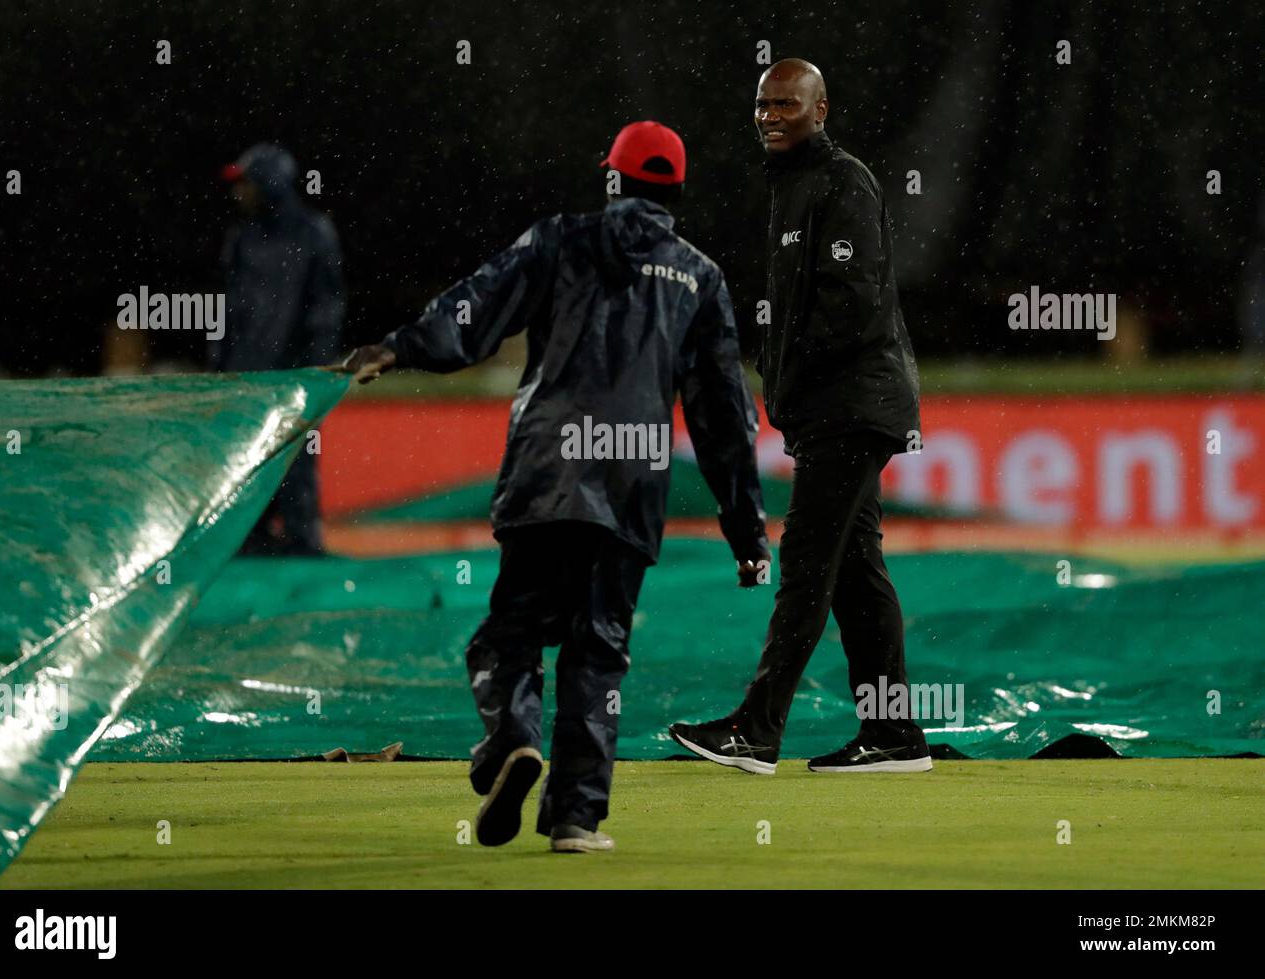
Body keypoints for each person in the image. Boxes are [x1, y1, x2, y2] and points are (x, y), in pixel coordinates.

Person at [336, 121, 769, 851]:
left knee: (510, 634)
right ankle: (576, 816)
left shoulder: (558, 240)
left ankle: (513, 736)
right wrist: (746, 530)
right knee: (598, 651)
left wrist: (398, 346)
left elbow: (475, 311)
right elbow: (722, 413)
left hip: (547, 470)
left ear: (612, 178)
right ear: (677, 191)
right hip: (631, 484)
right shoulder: (699, 277)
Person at [669, 59, 932, 774]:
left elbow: (853, 305)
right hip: (836, 408)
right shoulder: (793, 184)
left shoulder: (843, 181)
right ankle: (893, 734)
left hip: (850, 408)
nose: (770, 116)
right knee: (855, 573)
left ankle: (756, 729)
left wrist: (794, 379)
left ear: (821, 110)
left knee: (808, 567)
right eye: (762, 104)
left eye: (786, 103)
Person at [214, 143, 345, 556]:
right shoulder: (242, 237)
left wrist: (316, 369)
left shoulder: (314, 232)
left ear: (269, 182)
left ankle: (301, 542)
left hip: (293, 377)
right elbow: (227, 308)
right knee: (245, 464)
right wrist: (220, 368)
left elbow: (326, 306)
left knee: (296, 463)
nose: (239, 193)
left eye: (247, 183)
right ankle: (251, 541)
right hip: (246, 378)